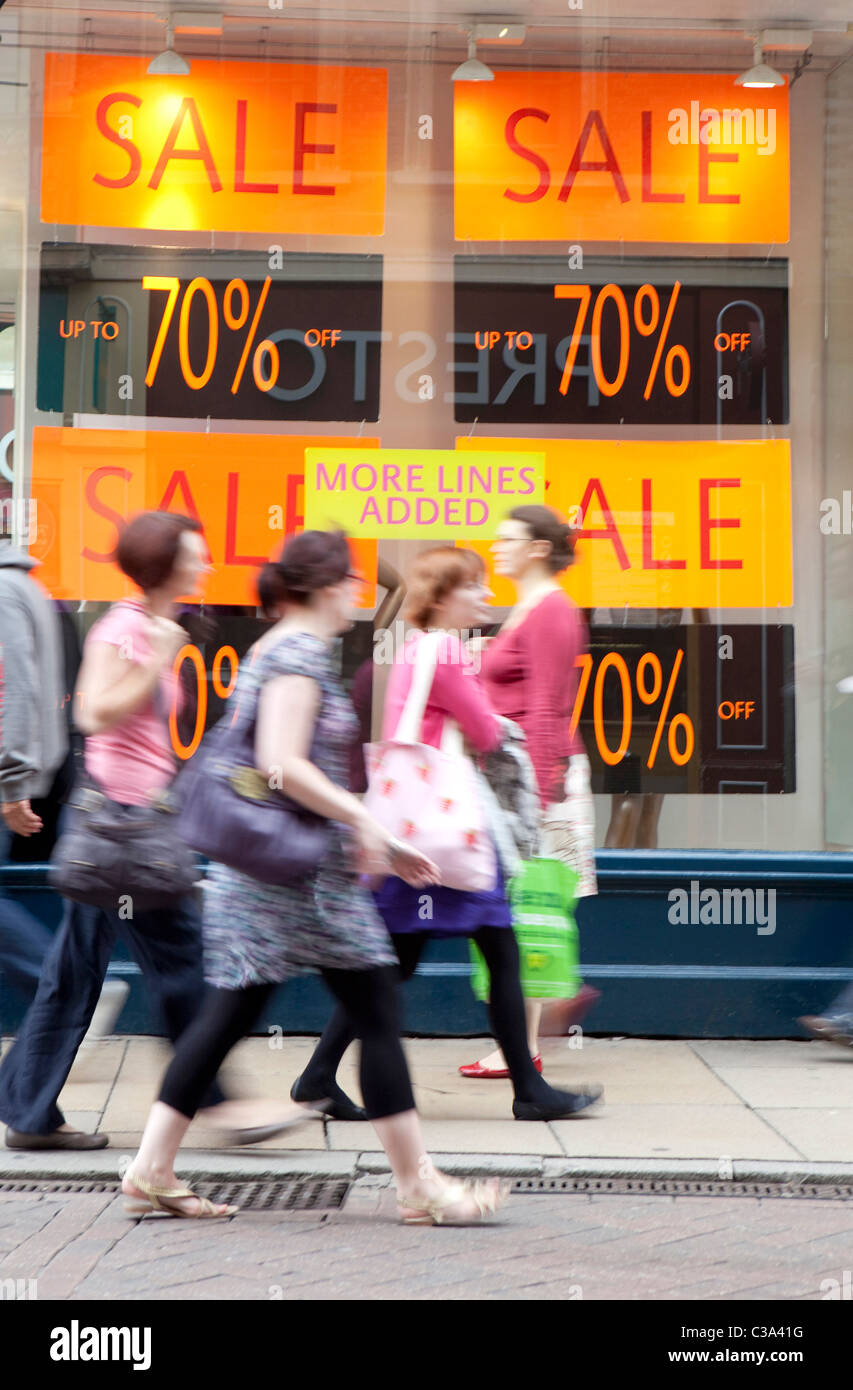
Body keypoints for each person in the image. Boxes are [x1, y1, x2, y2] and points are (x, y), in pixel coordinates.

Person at [121, 530, 508, 1223]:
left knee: (228, 1016)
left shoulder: (276, 645)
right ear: (328, 586)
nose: (361, 591)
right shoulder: (298, 654)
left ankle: (150, 1168)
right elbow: (281, 762)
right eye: (353, 579)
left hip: (266, 873)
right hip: (302, 880)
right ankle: (419, 1187)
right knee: (374, 1014)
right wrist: (368, 825)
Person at [0, 511, 299, 1149]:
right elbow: (92, 711)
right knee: (185, 964)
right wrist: (153, 663)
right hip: (123, 828)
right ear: (165, 565)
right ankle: (219, 1103)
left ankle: (26, 1108)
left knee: (76, 972)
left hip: (132, 825)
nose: (207, 565)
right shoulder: (124, 629)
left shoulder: (159, 627)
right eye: (196, 555)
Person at [291, 545, 603, 1122]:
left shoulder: (414, 650)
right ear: (443, 597)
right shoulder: (447, 652)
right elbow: (486, 733)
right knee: (497, 951)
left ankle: (317, 1074)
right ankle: (529, 1092)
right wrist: (484, 688)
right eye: (475, 588)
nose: (487, 596)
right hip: (446, 832)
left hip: (415, 829)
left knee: (396, 961)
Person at [459, 506, 600, 1078]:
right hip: (516, 780)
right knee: (525, 913)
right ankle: (529, 1037)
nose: (495, 547)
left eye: (507, 539)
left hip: (539, 782)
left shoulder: (551, 612)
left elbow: (546, 707)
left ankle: (525, 1040)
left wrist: (538, 797)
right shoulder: (528, 608)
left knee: (528, 911)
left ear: (539, 549)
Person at [0, 534, 127, 1035]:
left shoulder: (7, 591)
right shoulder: (27, 588)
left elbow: (18, 689)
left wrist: (12, 782)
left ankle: (67, 997)